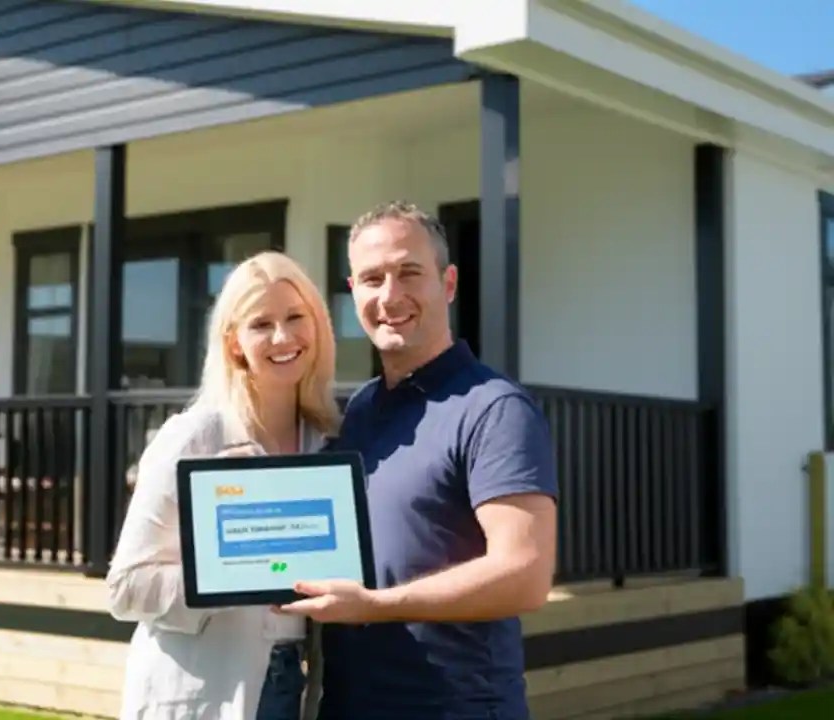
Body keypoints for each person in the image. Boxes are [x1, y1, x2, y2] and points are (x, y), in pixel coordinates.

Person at [277, 201, 559, 719]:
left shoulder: (494, 409)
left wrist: (376, 606)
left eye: (410, 272)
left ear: (448, 284)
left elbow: (525, 572)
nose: (390, 295)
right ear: (353, 290)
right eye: (372, 278)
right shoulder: (359, 409)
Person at [106, 250, 342, 720]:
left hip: (295, 684)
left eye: (296, 317)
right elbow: (125, 586)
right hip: (203, 691)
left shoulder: (330, 440)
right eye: (261, 324)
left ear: (317, 326)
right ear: (234, 342)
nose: (283, 337)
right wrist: (235, 579)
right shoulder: (194, 436)